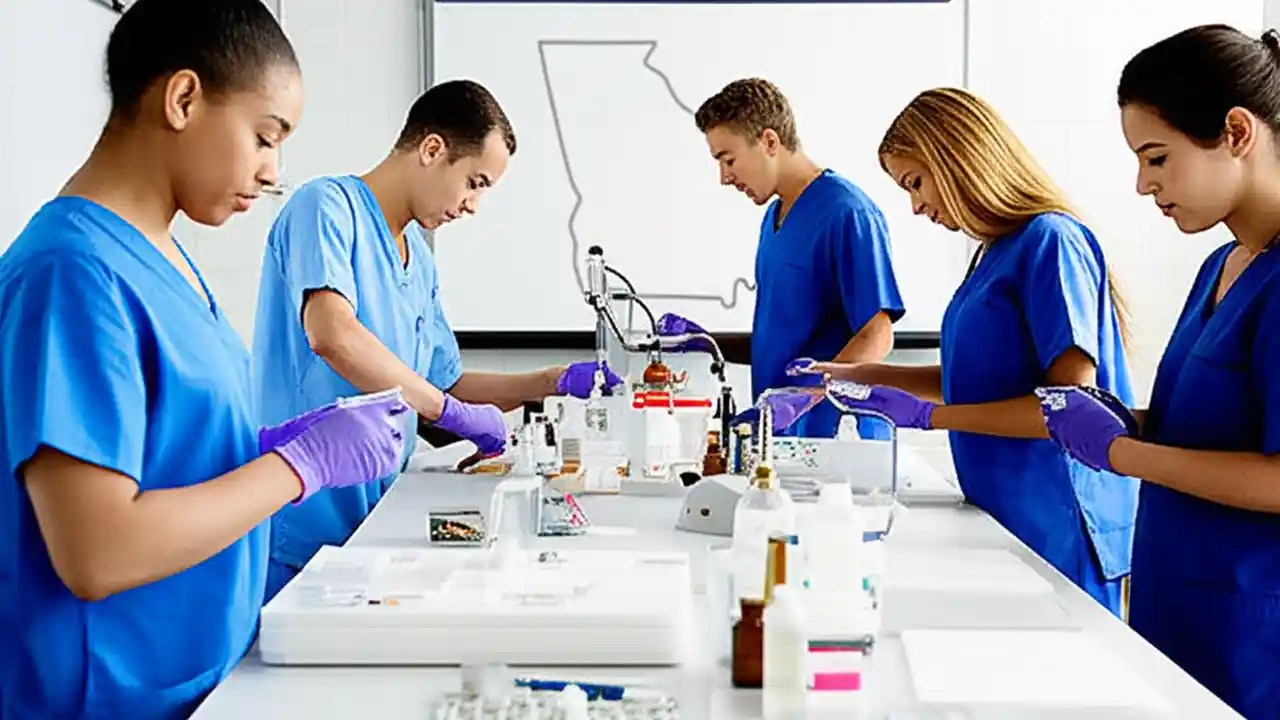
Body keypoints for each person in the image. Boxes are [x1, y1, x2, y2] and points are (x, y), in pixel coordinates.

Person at [0, 2, 411, 718]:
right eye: (264, 136)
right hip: (105, 697)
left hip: (197, 679)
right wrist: (298, 466)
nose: (274, 170)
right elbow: (98, 552)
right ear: (183, 98)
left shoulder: (164, 256)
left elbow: (159, 455)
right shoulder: (72, 272)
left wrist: (260, 449)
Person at [252, 79, 622, 600]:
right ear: (432, 149)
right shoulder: (326, 206)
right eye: (475, 182)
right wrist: (446, 410)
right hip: (303, 522)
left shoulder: (419, 259)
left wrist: (551, 380)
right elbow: (332, 334)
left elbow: (443, 380)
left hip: (375, 518)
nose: (473, 205)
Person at [801, 87, 1138, 617]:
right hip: (1004, 510)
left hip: (1056, 516)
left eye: (916, 183)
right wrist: (855, 375)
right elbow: (976, 376)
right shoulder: (993, 253)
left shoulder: (1050, 240)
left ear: (956, 158)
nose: (915, 206)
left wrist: (932, 418)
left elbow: (1071, 406)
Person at [1036, 25, 1280, 718]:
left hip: (1252, 635)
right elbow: (1207, 429)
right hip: (1177, 607)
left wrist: (1120, 451)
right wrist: (1124, 421)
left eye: (1157, 158)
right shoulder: (1221, 266)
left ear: (1236, 131)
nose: (1143, 185)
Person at [655, 77, 905, 439]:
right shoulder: (774, 218)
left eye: (729, 160)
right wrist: (706, 342)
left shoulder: (847, 213)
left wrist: (807, 397)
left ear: (769, 141)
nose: (724, 177)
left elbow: (877, 333)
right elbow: (785, 340)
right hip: (783, 437)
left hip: (835, 437)